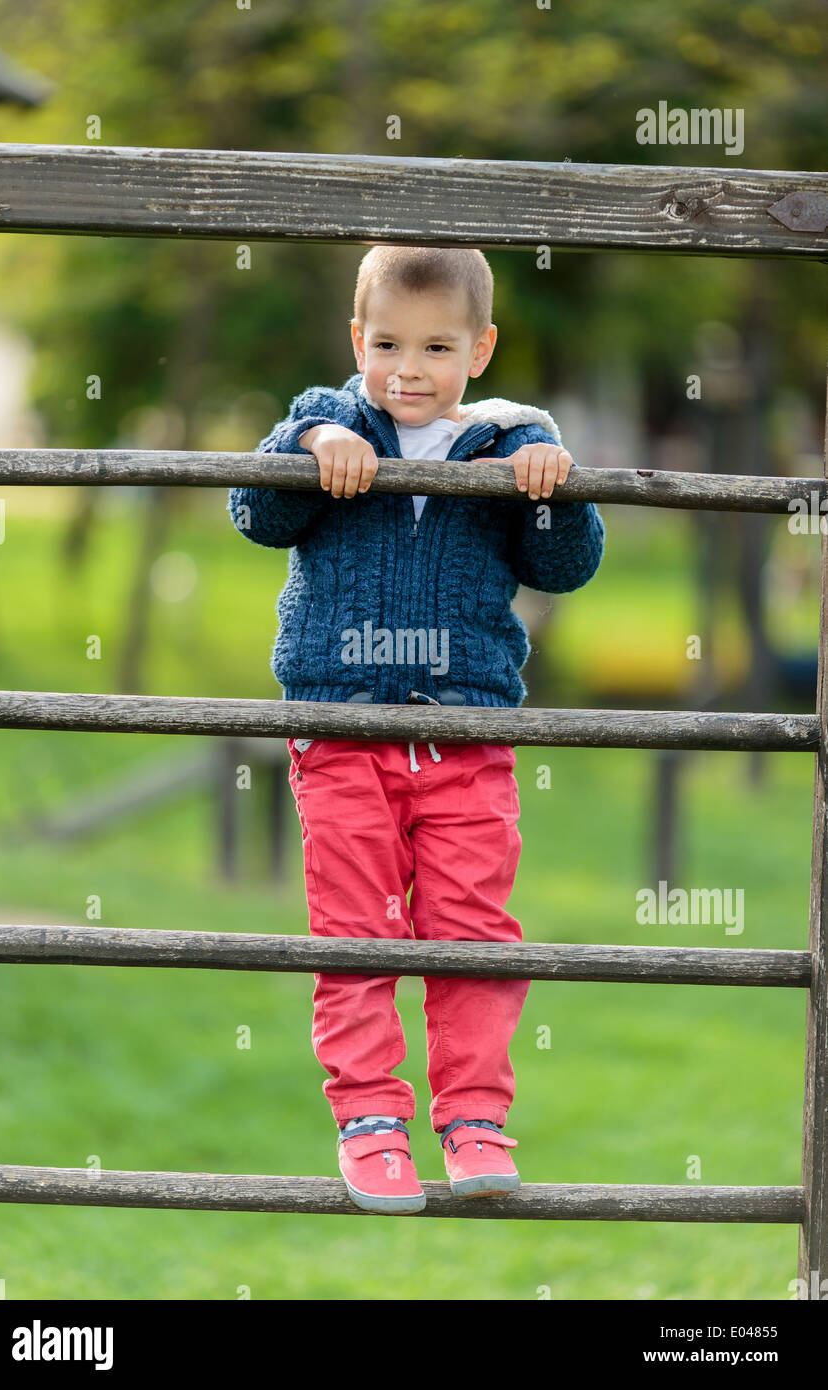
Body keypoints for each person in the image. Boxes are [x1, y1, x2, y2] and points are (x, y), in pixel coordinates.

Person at [228, 244, 604, 1214]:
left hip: (465, 734)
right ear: (357, 340)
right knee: (355, 930)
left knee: (471, 930)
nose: (407, 367)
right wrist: (307, 452)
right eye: (386, 342)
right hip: (342, 729)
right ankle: (368, 1120)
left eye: (436, 346)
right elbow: (255, 515)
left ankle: (474, 1116)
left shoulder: (510, 437)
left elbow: (563, 566)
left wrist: (550, 487)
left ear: (478, 350)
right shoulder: (326, 417)